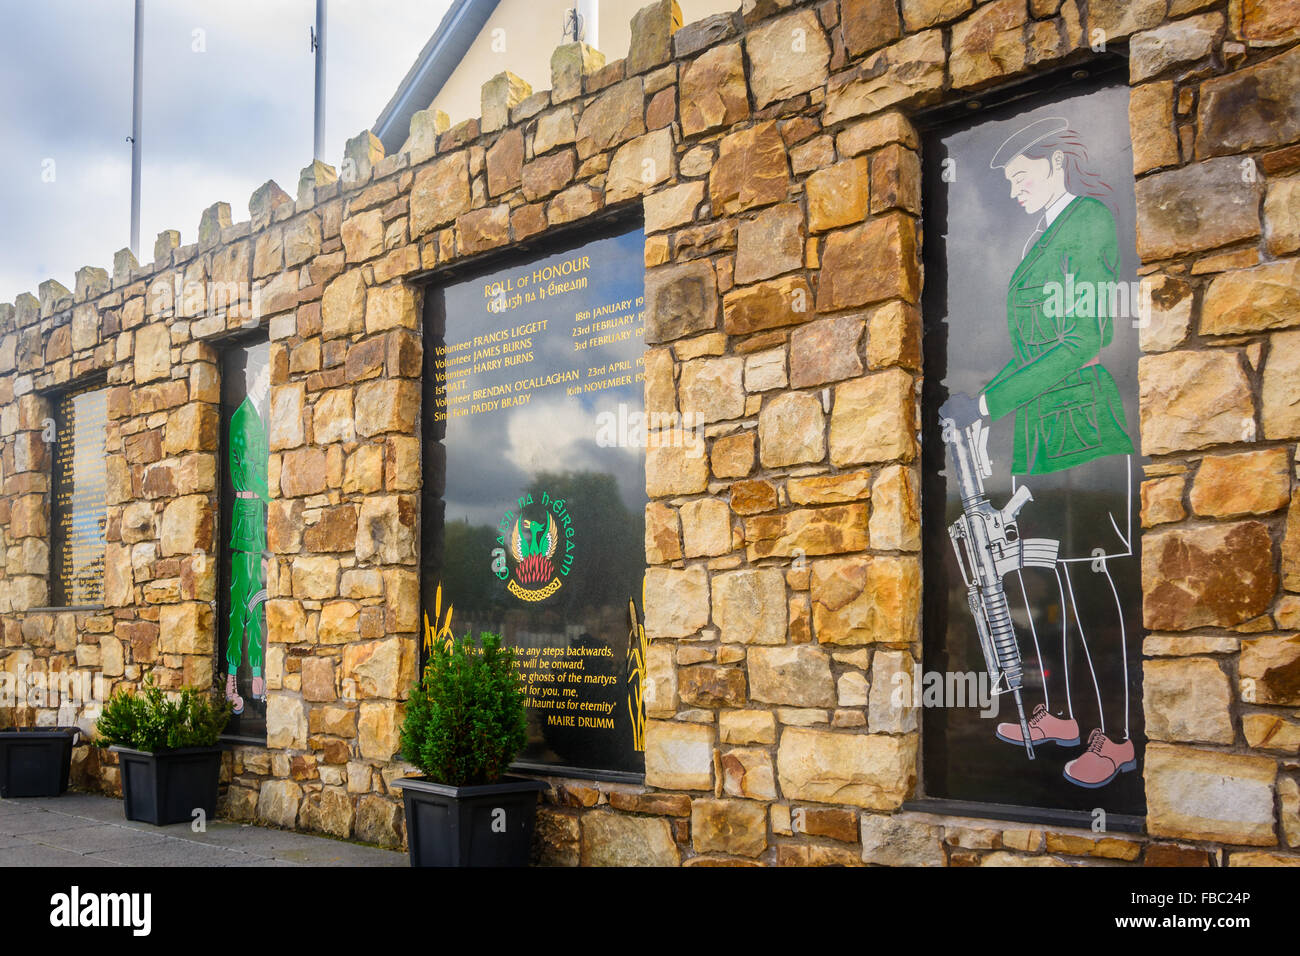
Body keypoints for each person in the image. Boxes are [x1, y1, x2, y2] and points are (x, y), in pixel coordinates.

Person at [973, 117, 1137, 789]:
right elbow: (1031, 349)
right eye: (1007, 181)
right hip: (1044, 432)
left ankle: (1118, 737)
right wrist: (989, 406)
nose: (1013, 191)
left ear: (1055, 164)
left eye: (1020, 176)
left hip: (1086, 430)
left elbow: (1086, 336)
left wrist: (989, 403)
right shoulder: (1041, 235)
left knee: (1096, 586)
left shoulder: (1089, 221)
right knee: (1059, 581)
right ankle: (1064, 716)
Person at [225, 362, 270, 716]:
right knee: (241, 604)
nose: (268, 384)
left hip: (258, 524)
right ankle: (231, 679)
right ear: (254, 376)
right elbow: (253, 473)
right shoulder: (242, 417)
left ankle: (256, 676)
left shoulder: (258, 414)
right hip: (245, 521)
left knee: (257, 601)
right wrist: (278, 496)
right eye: (265, 376)